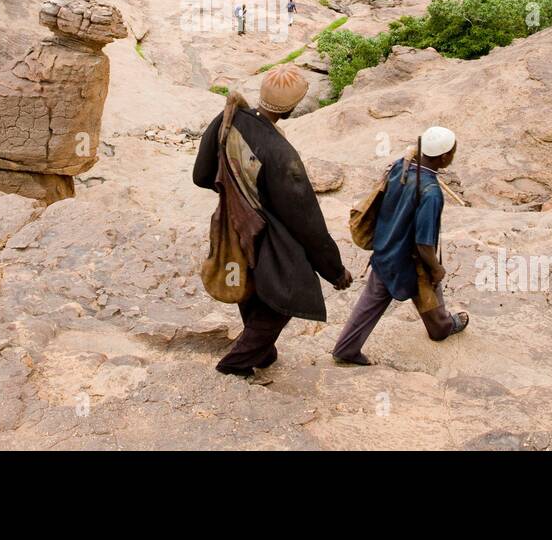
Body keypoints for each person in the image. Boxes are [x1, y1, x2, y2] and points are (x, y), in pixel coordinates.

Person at [194, 66, 352, 377]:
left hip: (231, 222)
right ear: (291, 107)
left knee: (250, 284)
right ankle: (235, 364)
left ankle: (263, 353)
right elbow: (307, 223)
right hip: (266, 231)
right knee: (285, 297)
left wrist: (236, 193)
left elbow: (201, 175)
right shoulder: (281, 152)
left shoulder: (227, 118)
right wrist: (334, 271)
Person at [332, 126, 469, 366]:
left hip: (386, 252)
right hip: (413, 264)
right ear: (444, 157)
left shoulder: (400, 167)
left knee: (369, 305)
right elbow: (423, 243)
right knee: (430, 299)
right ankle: (442, 327)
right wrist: (436, 268)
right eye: (452, 153)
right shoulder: (431, 193)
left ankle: (346, 348)